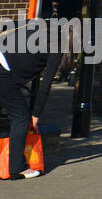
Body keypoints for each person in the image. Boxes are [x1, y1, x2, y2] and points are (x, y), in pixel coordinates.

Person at [0, 19, 62, 179]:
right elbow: (45, 85)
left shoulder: (32, 28)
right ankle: (17, 168)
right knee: (20, 118)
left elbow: (7, 25)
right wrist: (35, 115)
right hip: (3, 73)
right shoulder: (56, 49)